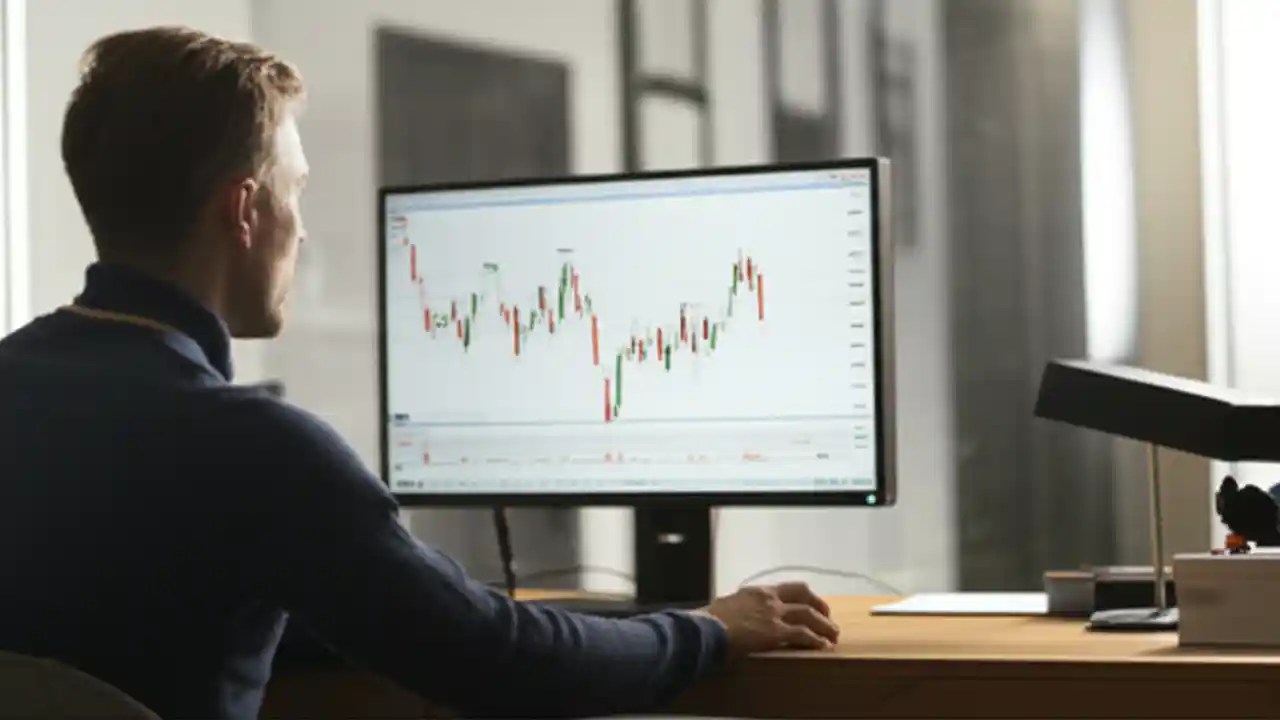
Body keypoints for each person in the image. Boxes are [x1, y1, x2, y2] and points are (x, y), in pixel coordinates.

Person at [0, 26, 839, 720]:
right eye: (296, 193)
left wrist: (387, 596)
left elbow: (118, 617)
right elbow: (498, 664)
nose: (303, 229)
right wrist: (712, 633)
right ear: (247, 210)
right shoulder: (250, 448)